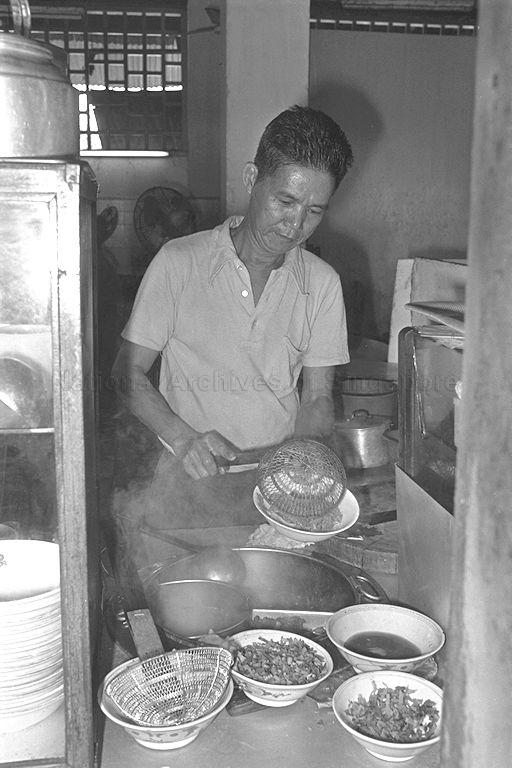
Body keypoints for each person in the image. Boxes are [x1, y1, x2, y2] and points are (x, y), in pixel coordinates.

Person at [112, 105, 353, 483]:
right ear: (252, 178)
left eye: (314, 211)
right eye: (285, 202)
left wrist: (303, 453)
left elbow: (317, 397)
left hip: (277, 481)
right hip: (188, 480)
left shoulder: (322, 284)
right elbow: (126, 374)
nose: (295, 225)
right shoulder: (179, 263)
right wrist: (182, 439)